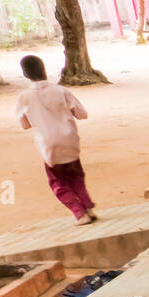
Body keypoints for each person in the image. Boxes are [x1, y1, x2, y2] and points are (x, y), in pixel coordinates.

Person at [15, 55, 95, 225]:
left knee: (57, 182)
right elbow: (82, 114)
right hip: (69, 140)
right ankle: (87, 206)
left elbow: (24, 124)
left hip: (48, 144)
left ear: (25, 74)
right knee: (76, 176)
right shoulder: (61, 90)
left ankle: (79, 213)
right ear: (44, 69)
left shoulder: (24, 97)